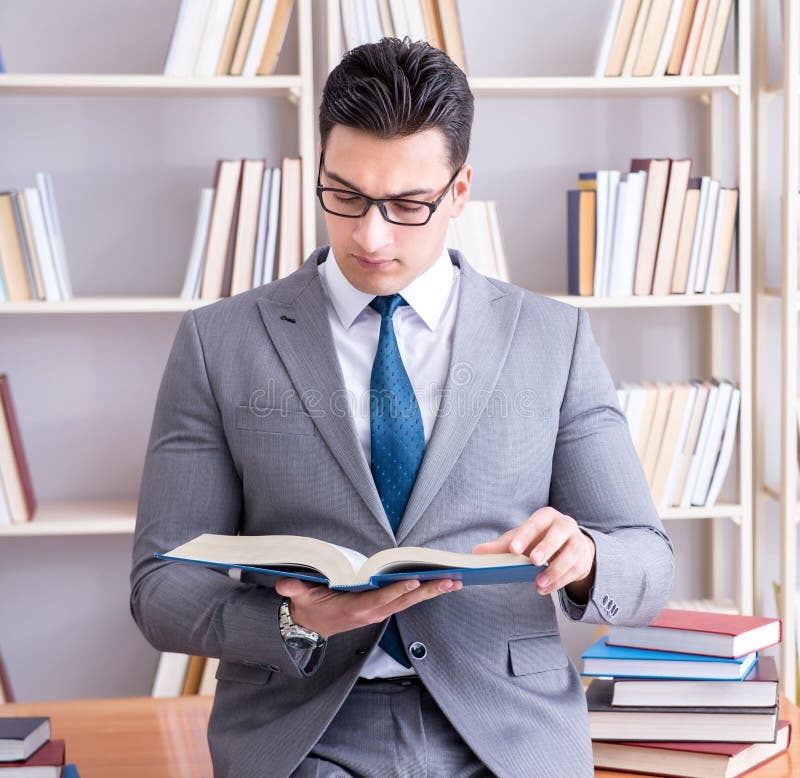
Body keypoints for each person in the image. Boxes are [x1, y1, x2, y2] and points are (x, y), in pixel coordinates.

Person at [130, 37, 674, 778]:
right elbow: (159, 587)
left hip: (508, 735)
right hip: (302, 732)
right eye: (345, 195)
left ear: (459, 190)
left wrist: (584, 559)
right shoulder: (219, 341)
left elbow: (646, 560)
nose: (369, 235)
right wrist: (291, 621)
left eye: (407, 204)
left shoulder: (553, 338)